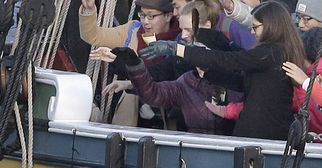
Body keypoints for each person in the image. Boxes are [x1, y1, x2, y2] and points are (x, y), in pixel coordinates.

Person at [142, 1, 307, 140]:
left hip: (264, 134)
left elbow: (227, 60)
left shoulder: (271, 53)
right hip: (261, 132)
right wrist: (208, 73)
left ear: (271, 26)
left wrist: (178, 49)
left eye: (255, 27)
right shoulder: (276, 53)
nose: (252, 32)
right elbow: (244, 83)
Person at [90, 1, 236, 134]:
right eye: (182, 30)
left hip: (230, 143)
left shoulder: (232, 61)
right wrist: (122, 61)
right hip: (189, 140)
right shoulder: (185, 76)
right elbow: (155, 83)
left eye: (188, 29)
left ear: (207, 25)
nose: (183, 36)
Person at [79, 0, 180, 58]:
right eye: (142, 15)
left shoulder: (183, 37)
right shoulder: (132, 31)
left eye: (151, 16)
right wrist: (89, 9)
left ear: (168, 16)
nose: (145, 21)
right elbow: (93, 36)